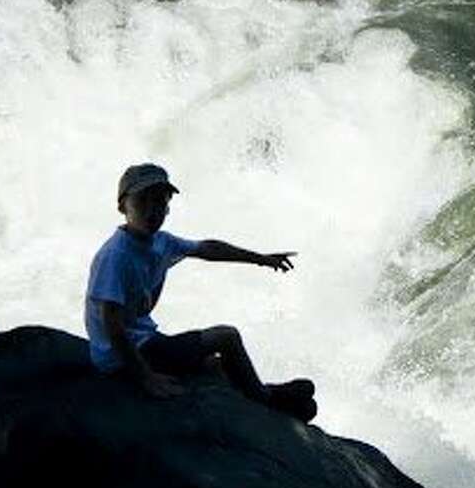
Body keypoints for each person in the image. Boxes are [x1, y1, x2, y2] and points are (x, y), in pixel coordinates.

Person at [85, 162, 316, 421]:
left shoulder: (161, 242)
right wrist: (145, 378)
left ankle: (266, 395)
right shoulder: (116, 256)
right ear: (122, 206)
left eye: (160, 202)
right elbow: (111, 324)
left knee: (215, 366)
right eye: (143, 201)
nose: (152, 211)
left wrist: (261, 258)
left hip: (147, 343)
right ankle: (267, 400)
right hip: (122, 359)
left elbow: (208, 249)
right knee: (226, 337)